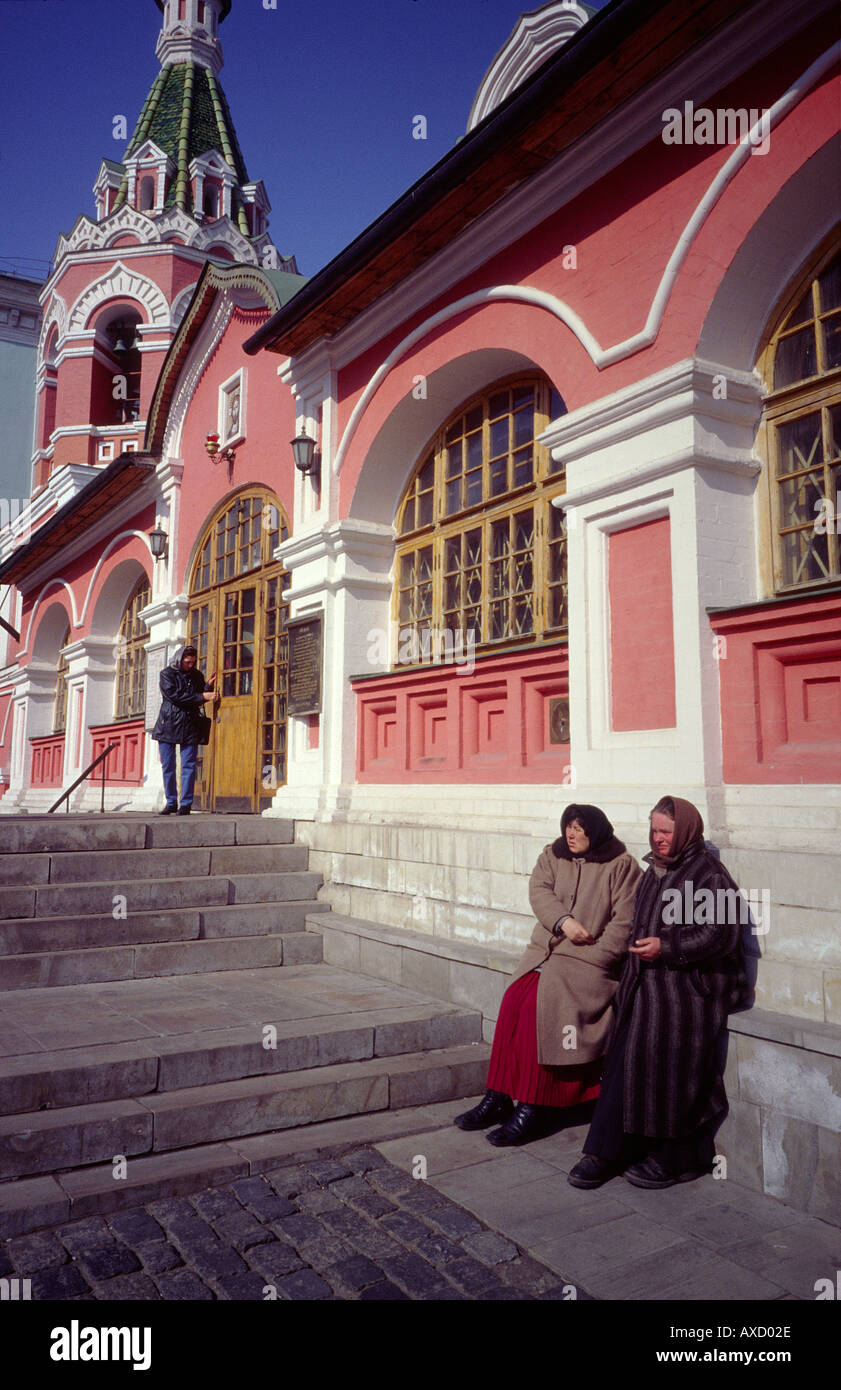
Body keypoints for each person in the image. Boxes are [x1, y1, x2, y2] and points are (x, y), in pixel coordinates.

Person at [568, 795, 749, 1191]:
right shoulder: (655, 871)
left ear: (684, 830)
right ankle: (603, 1151)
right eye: (654, 830)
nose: (659, 838)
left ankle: (674, 1156)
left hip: (691, 989)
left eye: (666, 831)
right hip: (649, 982)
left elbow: (720, 934)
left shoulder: (708, 875)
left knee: (660, 1049)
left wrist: (667, 948)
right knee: (621, 1055)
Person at [454, 804, 642, 1146]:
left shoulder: (621, 866)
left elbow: (625, 922)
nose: (571, 835)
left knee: (539, 1007)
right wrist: (564, 921)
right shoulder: (553, 855)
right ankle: (498, 1096)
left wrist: (597, 957)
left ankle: (533, 1105)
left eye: (580, 829)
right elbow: (539, 891)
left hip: (589, 963)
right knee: (514, 1000)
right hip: (546, 952)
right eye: (568, 827)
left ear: (595, 832)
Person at [151, 644, 218, 815]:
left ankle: (186, 804)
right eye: (187, 662)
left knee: (189, 765)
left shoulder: (196, 675)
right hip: (168, 724)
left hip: (190, 725)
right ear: (179, 659)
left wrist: (207, 687)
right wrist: (202, 695)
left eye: (193, 662)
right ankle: (171, 802)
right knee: (168, 766)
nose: (190, 665)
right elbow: (175, 696)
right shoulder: (166, 674)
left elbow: (198, 697)